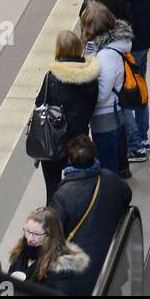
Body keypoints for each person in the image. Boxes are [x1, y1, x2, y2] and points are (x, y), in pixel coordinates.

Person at [50, 135, 132, 295]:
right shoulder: (110, 178)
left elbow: (54, 235)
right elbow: (127, 196)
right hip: (111, 258)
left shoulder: (62, 195)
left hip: (81, 271)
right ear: (94, 156)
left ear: (70, 160)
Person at [32, 31, 100, 200]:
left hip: (54, 142)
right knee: (80, 189)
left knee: (53, 190)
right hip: (80, 143)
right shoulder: (91, 77)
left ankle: (54, 220)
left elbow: (40, 103)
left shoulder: (52, 77)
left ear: (59, 50)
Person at [107, 0, 150, 161]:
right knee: (140, 87)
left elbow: (125, 20)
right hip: (146, 39)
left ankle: (136, 146)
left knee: (126, 94)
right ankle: (143, 136)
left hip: (132, 45)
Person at [80, 2, 131, 174]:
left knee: (108, 171)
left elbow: (101, 94)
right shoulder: (105, 49)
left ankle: (113, 200)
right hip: (112, 114)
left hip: (106, 118)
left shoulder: (106, 55)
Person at [7, 207, 89, 293]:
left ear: (50, 235)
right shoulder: (22, 250)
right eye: (28, 231)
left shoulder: (61, 268)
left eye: (36, 234)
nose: (29, 239)